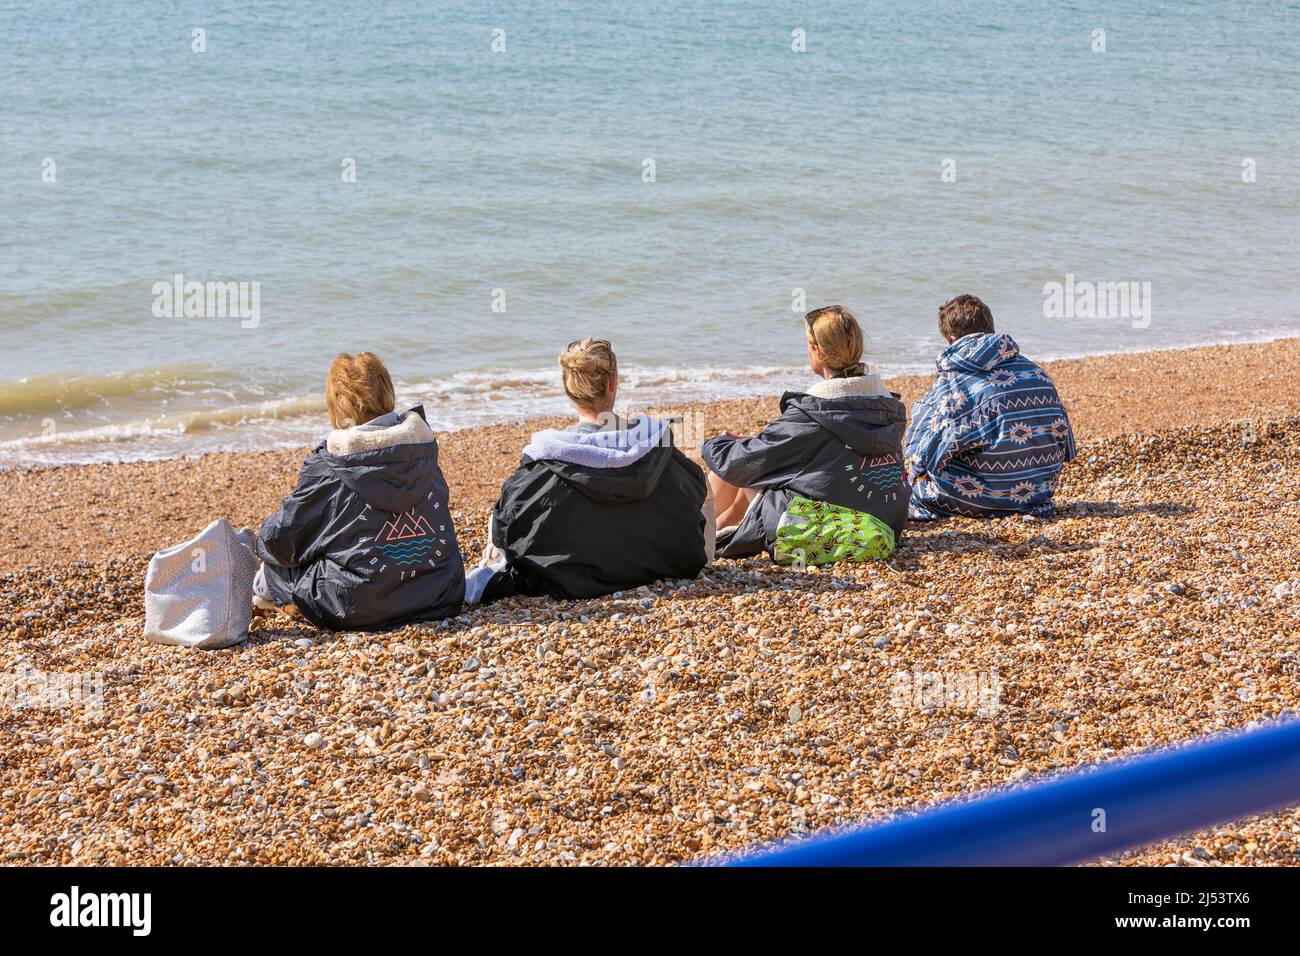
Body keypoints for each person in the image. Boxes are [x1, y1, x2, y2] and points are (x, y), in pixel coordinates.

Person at [466, 338, 709, 603]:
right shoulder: (660, 449)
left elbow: (508, 532)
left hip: (569, 578)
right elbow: (697, 498)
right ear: (613, 383)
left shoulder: (543, 465)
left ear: (567, 388)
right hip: (667, 562)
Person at [254, 352, 465, 629]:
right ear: (387, 393)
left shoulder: (331, 463)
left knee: (278, 565)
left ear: (339, 406)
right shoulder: (422, 449)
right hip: (441, 594)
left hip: (357, 606)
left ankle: (269, 596)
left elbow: (281, 541)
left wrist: (260, 543)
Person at [701, 306, 909, 563]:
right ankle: (714, 531)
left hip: (829, 522)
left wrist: (716, 444)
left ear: (817, 350)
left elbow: (739, 464)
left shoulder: (815, 412)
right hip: (888, 516)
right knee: (761, 457)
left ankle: (693, 539)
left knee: (743, 460)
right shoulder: (886, 406)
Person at [905, 294, 1075, 519]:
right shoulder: (1035, 371)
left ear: (952, 339)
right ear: (990, 329)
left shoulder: (955, 382)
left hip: (982, 499)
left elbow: (922, 453)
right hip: (1038, 493)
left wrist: (915, 472)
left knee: (908, 483)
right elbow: (1068, 447)